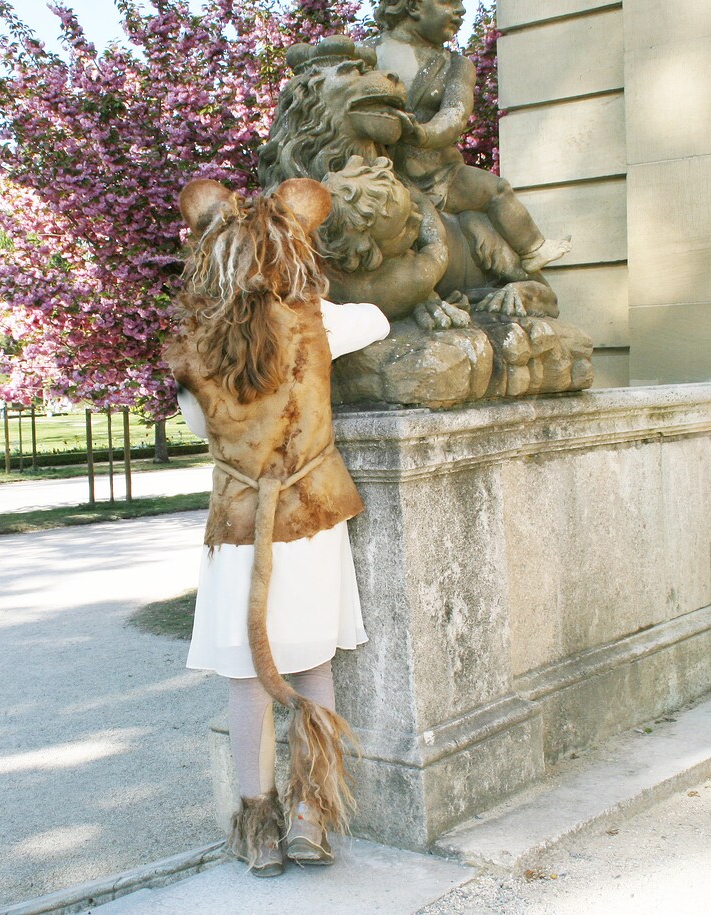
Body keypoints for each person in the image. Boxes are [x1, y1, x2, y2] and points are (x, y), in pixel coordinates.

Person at [164, 177, 390, 877]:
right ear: (289, 251)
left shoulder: (191, 347)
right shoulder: (320, 319)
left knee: (247, 683)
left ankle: (257, 828)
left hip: (239, 533)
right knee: (314, 667)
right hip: (309, 520)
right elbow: (380, 318)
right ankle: (311, 818)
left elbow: (199, 427)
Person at [372, 0, 570, 273]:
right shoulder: (366, 56)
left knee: (496, 189)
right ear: (414, 6)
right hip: (381, 173)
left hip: (442, 174)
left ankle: (533, 248)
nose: (461, 11)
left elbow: (455, 113)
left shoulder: (456, 65)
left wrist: (423, 133)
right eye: (449, 2)